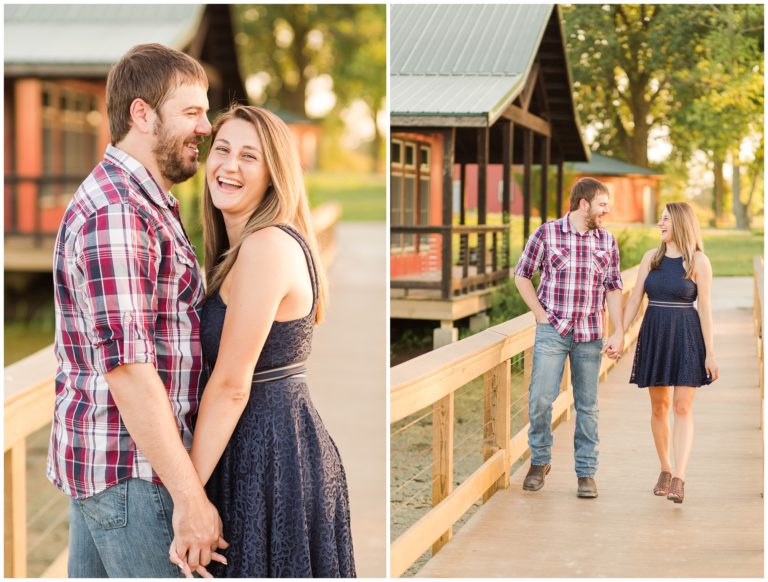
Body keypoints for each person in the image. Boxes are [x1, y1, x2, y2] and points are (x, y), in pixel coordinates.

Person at [49, 43, 227, 577]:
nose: (206, 127)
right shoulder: (118, 213)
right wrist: (191, 498)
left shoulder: (141, 200)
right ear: (142, 114)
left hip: (116, 470)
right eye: (191, 112)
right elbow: (128, 370)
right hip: (134, 475)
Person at [168, 105, 355, 577]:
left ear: (274, 175)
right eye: (222, 149)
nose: (229, 166)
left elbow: (232, 386)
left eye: (249, 156)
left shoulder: (266, 246)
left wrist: (187, 498)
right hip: (259, 448)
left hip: (271, 460)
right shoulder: (243, 248)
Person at [514, 177, 624, 498]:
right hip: (552, 330)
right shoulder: (547, 233)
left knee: (587, 407)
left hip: (590, 334)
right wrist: (539, 314)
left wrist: (618, 331)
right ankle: (539, 461)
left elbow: (613, 287)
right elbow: (522, 274)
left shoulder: (607, 240)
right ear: (583, 204)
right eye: (602, 204)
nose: (607, 211)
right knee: (540, 399)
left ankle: (586, 473)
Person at [619, 202, 719, 504]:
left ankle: (679, 476)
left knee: (683, 407)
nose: (660, 224)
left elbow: (705, 308)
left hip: (687, 336)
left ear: (680, 222)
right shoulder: (652, 257)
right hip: (655, 334)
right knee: (659, 406)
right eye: (660, 219)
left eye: (665, 219)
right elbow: (635, 299)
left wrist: (710, 353)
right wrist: (619, 333)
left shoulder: (698, 261)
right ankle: (665, 468)